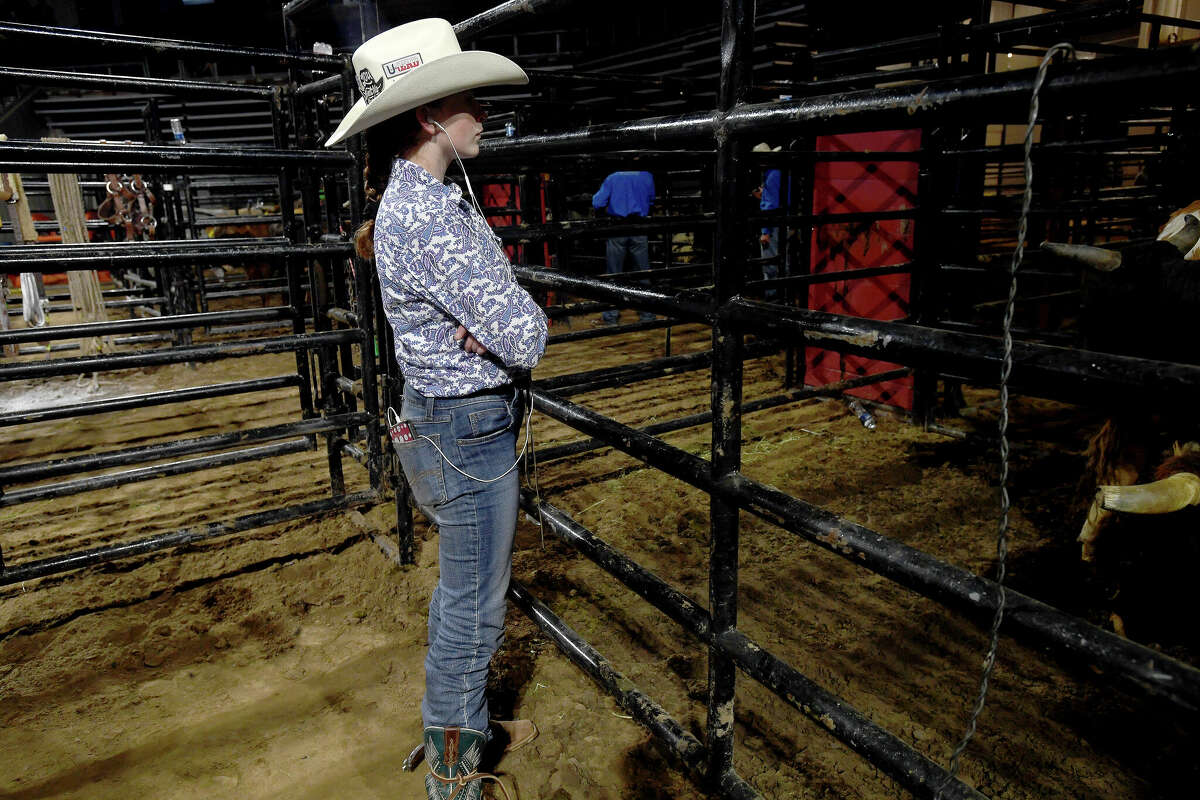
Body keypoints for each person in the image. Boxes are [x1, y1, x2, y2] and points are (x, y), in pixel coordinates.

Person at [325, 18, 547, 800]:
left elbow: (503, 327)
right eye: (469, 103)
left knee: (469, 595)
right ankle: (453, 771)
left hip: (446, 425)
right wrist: (500, 331)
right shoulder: (430, 216)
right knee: (472, 607)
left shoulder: (421, 199)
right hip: (465, 431)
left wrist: (487, 330)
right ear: (429, 117)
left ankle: (466, 728)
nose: (482, 116)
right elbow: (527, 332)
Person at [592, 170, 656, 324]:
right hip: (639, 227)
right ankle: (647, 315)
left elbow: (597, 202)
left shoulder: (612, 177)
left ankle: (611, 316)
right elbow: (652, 200)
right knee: (643, 272)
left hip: (618, 227)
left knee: (614, 273)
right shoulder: (647, 176)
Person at [752, 142, 787, 298]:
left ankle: (772, 300)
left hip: (773, 225)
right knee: (782, 261)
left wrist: (766, 232)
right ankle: (782, 297)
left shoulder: (772, 176)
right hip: (782, 221)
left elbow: (771, 206)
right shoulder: (778, 172)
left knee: (770, 264)